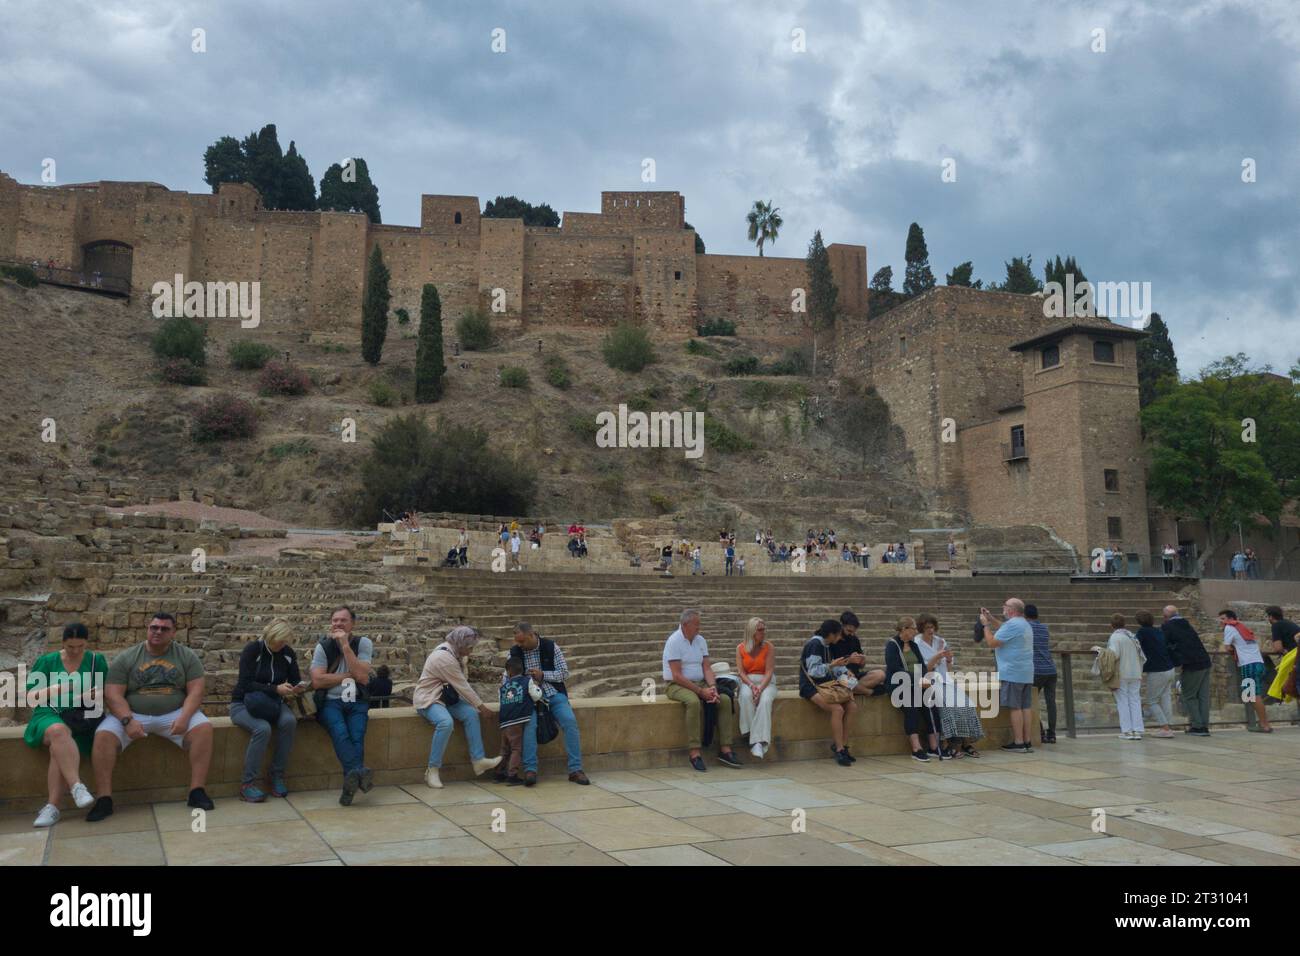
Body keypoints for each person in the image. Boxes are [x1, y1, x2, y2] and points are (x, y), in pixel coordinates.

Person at [87, 612, 214, 822]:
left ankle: (197, 791)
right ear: (148, 629)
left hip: (174, 713)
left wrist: (184, 717)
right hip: (133, 714)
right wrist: (127, 720)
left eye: (164, 629)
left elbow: (196, 691)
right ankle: (104, 799)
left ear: (173, 633)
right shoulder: (128, 657)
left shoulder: (186, 656)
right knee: (103, 736)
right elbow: (113, 694)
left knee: (204, 728)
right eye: (154, 627)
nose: (158, 632)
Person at [24, 623, 106, 827]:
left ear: (86, 643)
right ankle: (76, 786)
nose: (76, 651)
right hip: (49, 712)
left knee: (59, 746)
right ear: (63, 643)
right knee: (59, 731)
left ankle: (52, 807)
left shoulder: (96, 660)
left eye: (80, 646)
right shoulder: (48, 661)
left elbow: (108, 689)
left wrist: (92, 695)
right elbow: (31, 697)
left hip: (79, 717)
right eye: (71, 647)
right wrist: (56, 688)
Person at [412, 625, 502, 789]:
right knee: (446, 723)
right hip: (428, 699)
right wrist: (482, 707)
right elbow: (463, 686)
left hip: (445, 698)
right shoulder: (444, 657)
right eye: (469, 647)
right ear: (460, 643)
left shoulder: (455, 653)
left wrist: (477, 708)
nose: (471, 651)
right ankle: (432, 770)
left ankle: (478, 760)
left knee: (470, 714)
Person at [229, 619, 305, 802]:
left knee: (289, 722)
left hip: (274, 703)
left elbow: (295, 678)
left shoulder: (287, 653)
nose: (282, 645)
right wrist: (274, 689)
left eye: (285, 642)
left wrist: (297, 687)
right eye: (280, 641)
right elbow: (245, 683)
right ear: (270, 637)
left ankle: (276, 775)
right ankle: (247, 783)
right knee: (262, 729)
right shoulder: (253, 650)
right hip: (244, 703)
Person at [310, 606, 374, 806]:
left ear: (352, 624)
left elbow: (362, 677)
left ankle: (350, 786)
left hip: (356, 701)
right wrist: (349, 675)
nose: (338, 624)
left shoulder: (363, 643)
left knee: (357, 737)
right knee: (340, 733)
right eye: (335, 620)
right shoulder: (324, 646)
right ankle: (359, 773)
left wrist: (346, 646)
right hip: (331, 702)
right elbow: (318, 681)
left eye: (343, 620)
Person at [511, 622, 589, 785]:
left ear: (532, 635)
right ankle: (530, 770)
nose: (520, 645)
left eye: (523, 641)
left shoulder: (551, 647)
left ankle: (575, 770)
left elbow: (564, 673)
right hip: (529, 699)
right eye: (518, 642)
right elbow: (507, 678)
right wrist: (525, 679)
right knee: (530, 726)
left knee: (569, 721)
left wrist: (542, 675)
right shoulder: (515, 652)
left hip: (553, 693)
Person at [663, 609, 741, 771]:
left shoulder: (700, 641)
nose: (699, 628)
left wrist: (712, 687)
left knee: (725, 700)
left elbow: (706, 668)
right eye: (696, 625)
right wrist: (700, 692)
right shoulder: (674, 641)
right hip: (677, 685)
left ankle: (726, 749)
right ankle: (695, 753)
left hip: (700, 682)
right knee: (692, 702)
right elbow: (676, 675)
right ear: (685, 625)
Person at [913, 613, 984, 758]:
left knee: (966, 705)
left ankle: (966, 743)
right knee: (948, 708)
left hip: (946, 681)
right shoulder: (917, 644)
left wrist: (949, 660)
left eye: (932, 627)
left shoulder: (941, 641)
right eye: (927, 628)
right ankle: (952, 745)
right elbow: (923, 669)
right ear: (921, 628)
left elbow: (948, 668)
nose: (930, 630)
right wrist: (936, 657)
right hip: (930, 682)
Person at [798, 618, 858, 765]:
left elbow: (833, 667)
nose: (839, 638)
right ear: (831, 634)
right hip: (810, 686)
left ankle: (843, 746)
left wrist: (845, 671)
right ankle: (838, 750)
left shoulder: (827, 644)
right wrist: (832, 665)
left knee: (852, 706)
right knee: (837, 709)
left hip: (826, 685)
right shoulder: (815, 644)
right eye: (837, 635)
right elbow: (814, 671)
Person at [979, 598, 1035, 752]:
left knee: (1015, 707)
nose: (1003, 607)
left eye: (1005, 606)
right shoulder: (1023, 623)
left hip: (1012, 672)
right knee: (1025, 707)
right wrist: (991, 618)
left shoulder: (1012, 624)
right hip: (1025, 672)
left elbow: (992, 642)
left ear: (1011, 609)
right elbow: (1004, 628)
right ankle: (1027, 741)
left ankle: (1018, 742)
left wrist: (986, 625)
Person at [885, 616, 942, 762]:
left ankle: (934, 747)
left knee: (931, 705)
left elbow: (921, 665)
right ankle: (916, 749)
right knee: (911, 707)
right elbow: (894, 668)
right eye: (913, 628)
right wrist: (917, 679)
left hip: (917, 683)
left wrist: (924, 678)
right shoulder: (892, 645)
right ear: (904, 629)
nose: (916, 631)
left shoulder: (913, 645)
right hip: (900, 685)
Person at [1161, 605, 1212, 736]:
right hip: (1205, 661)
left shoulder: (1168, 626)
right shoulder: (1185, 623)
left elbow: (1164, 644)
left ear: (1166, 617)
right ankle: (1204, 725)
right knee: (1203, 696)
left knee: (1189, 695)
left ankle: (1197, 726)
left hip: (1192, 664)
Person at [1220, 609, 1273, 732]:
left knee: (1253, 695)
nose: (1221, 622)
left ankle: (1265, 725)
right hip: (1258, 662)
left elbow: (1227, 647)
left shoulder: (1229, 627)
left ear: (1230, 619)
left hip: (1248, 664)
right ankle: (1257, 723)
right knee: (1251, 694)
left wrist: (1233, 649)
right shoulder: (1242, 627)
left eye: (1223, 619)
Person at [494, 657, 541, 786]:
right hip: (517, 720)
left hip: (504, 721)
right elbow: (536, 696)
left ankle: (498, 773)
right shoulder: (527, 681)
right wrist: (538, 686)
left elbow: (501, 701)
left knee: (504, 749)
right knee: (516, 749)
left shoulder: (502, 686)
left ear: (508, 672)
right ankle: (512, 775)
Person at [735, 618, 777, 758]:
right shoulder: (740, 648)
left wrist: (760, 688)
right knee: (746, 696)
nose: (763, 632)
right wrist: (752, 686)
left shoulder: (769, 647)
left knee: (765, 701)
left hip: (766, 681)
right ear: (752, 631)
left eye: (764, 629)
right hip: (748, 681)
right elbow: (741, 672)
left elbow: (769, 671)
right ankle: (757, 740)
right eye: (760, 630)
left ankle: (757, 741)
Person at [1135, 610, 1176, 738]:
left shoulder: (1142, 632)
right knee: (1165, 697)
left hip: (1157, 671)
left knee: (1152, 701)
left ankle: (1165, 728)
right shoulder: (1158, 631)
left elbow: (1135, 645)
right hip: (1170, 668)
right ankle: (1168, 725)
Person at [1105, 614, 1146, 740]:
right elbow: (1142, 655)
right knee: (1135, 700)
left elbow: (1113, 655)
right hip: (1135, 672)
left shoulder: (1115, 637)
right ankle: (1138, 730)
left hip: (1122, 673)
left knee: (1123, 701)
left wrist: (1100, 651)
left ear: (1111, 625)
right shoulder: (1132, 636)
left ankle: (1127, 731)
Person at [837, 611, 887, 697]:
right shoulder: (834, 640)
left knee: (880, 674)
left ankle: (855, 690)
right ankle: (868, 692)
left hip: (855, 677)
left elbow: (861, 666)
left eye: (854, 632)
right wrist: (849, 660)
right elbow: (832, 665)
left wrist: (862, 661)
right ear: (842, 625)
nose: (851, 634)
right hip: (840, 677)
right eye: (849, 631)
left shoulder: (854, 639)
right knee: (844, 681)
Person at [1026, 604, 1057, 743]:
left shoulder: (1026, 628)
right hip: (1051, 669)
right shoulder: (1044, 628)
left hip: (1036, 670)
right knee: (1051, 703)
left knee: (1030, 701)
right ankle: (1052, 733)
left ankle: (1040, 731)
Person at [1266, 605, 1300, 722]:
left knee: (1294, 683)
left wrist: (1284, 651)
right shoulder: (1288, 623)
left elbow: (1277, 647)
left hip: (1296, 656)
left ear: (1271, 616)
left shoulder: (1276, 626)